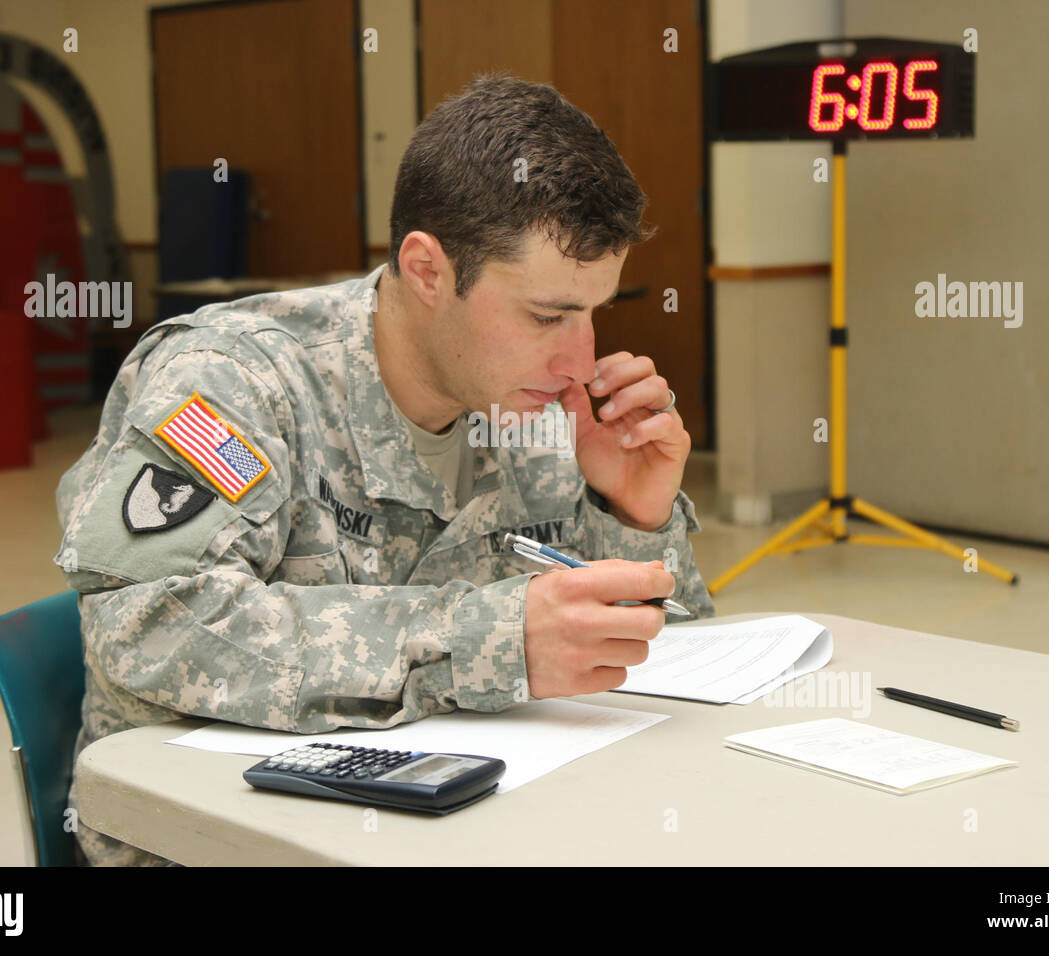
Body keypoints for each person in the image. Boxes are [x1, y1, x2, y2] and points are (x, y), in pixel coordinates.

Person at [53, 72, 715, 866]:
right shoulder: (232, 381)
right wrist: (488, 639)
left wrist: (634, 516)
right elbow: (149, 629)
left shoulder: (540, 407)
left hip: (458, 829)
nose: (580, 358)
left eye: (595, 312)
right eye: (547, 315)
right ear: (428, 270)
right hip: (218, 839)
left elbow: (672, 671)